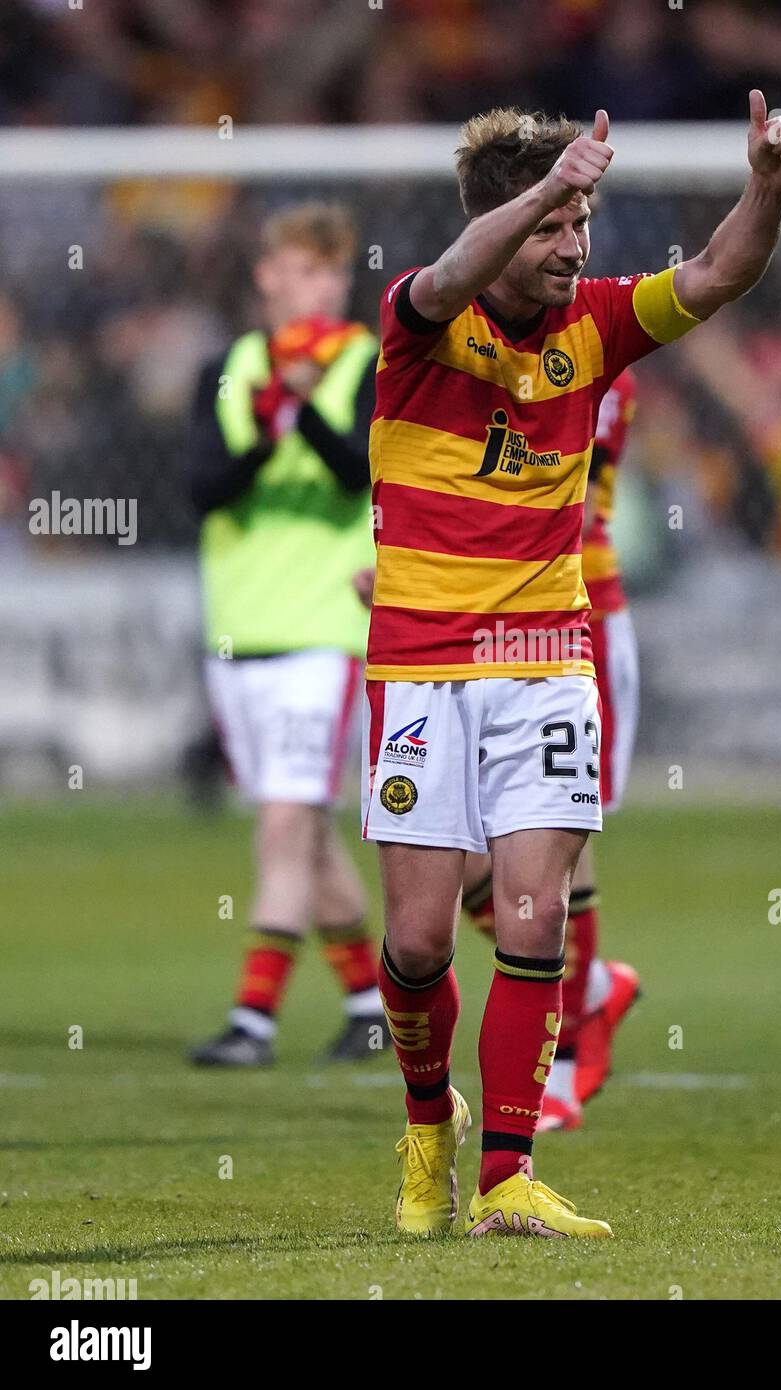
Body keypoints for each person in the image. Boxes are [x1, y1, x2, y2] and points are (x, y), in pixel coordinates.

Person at [363, 94, 781, 1237]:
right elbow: (449, 274)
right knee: (416, 940)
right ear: (506, 223)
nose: (575, 246)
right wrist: (540, 191)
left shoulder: (599, 324)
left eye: (582, 224)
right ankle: (428, 1122)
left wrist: (762, 191)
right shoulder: (420, 320)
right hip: (420, 664)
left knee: (534, 916)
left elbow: (715, 273)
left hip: (546, 659)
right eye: (554, 227)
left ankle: (506, 1175)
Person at [187, 202, 389, 1067]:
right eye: (304, 270)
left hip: (326, 630)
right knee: (302, 828)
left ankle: (253, 1020)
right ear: (267, 275)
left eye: (333, 273)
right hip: (239, 632)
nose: (321, 289)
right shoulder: (226, 369)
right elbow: (203, 487)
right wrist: (269, 423)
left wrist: (301, 408)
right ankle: (370, 1004)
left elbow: (354, 471)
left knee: (283, 821)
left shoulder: (369, 363)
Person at [461, 366, 643, 1133]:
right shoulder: (472, 353)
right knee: (459, 855)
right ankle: (592, 984)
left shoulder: (596, 366)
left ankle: (561, 1069)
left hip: (574, 617)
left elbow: (563, 496)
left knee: (559, 829)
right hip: (477, 618)